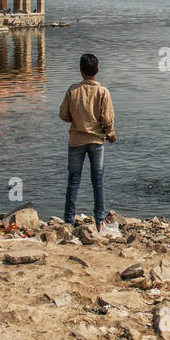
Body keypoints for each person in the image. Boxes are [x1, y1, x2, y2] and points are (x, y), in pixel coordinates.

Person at [58, 53, 115, 225]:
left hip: (76, 140)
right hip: (97, 141)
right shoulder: (103, 92)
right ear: (97, 71)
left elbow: (63, 115)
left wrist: (76, 120)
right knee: (97, 181)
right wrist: (110, 134)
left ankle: (69, 220)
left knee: (73, 181)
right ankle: (99, 220)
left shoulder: (72, 90)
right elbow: (107, 119)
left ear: (81, 71)